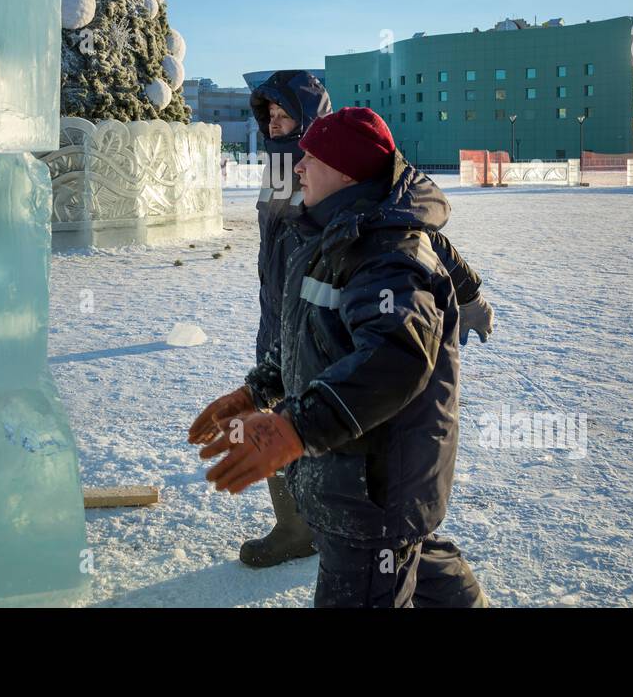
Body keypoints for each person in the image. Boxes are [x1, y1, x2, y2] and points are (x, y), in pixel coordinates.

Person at [190, 107, 494, 607]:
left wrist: (298, 428)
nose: (301, 166)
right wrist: (258, 390)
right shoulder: (331, 233)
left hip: (374, 482)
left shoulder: (386, 254)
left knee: (382, 553)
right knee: (407, 549)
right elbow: (314, 341)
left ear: (348, 172)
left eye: (313, 157)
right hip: (356, 479)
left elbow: (393, 360)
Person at [233, 70, 331, 567]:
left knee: (313, 422)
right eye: (268, 114)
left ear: (309, 117)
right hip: (275, 321)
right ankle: (296, 524)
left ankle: (318, 525)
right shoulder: (276, 168)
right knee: (270, 417)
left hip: (316, 325)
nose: (273, 124)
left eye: (284, 113)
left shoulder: (327, 168)